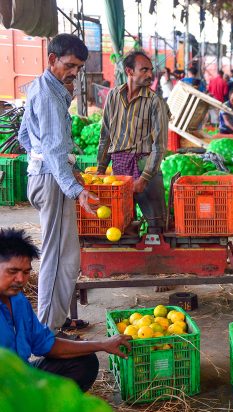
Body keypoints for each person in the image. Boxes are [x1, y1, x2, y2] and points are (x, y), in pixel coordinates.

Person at [17, 34, 98, 335]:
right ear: (52, 59)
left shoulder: (41, 87)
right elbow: (51, 148)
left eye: (78, 68)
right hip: (52, 181)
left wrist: (56, 166)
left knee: (66, 255)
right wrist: (75, 189)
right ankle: (47, 332)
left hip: (45, 175)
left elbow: (26, 137)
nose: (74, 73)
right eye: (70, 65)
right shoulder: (49, 95)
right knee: (60, 256)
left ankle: (55, 321)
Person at [0, 229, 131, 392]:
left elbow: (46, 344)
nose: (20, 279)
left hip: (23, 380)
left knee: (84, 361)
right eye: (12, 272)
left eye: (26, 272)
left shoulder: (19, 301)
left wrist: (102, 344)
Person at [97, 51, 170, 234]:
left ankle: (156, 259)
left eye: (150, 70)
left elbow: (159, 145)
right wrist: (100, 169)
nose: (149, 74)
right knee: (122, 222)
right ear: (129, 71)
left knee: (155, 224)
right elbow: (106, 135)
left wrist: (144, 178)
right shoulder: (113, 96)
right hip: (119, 167)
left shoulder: (155, 102)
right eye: (144, 69)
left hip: (145, 166)